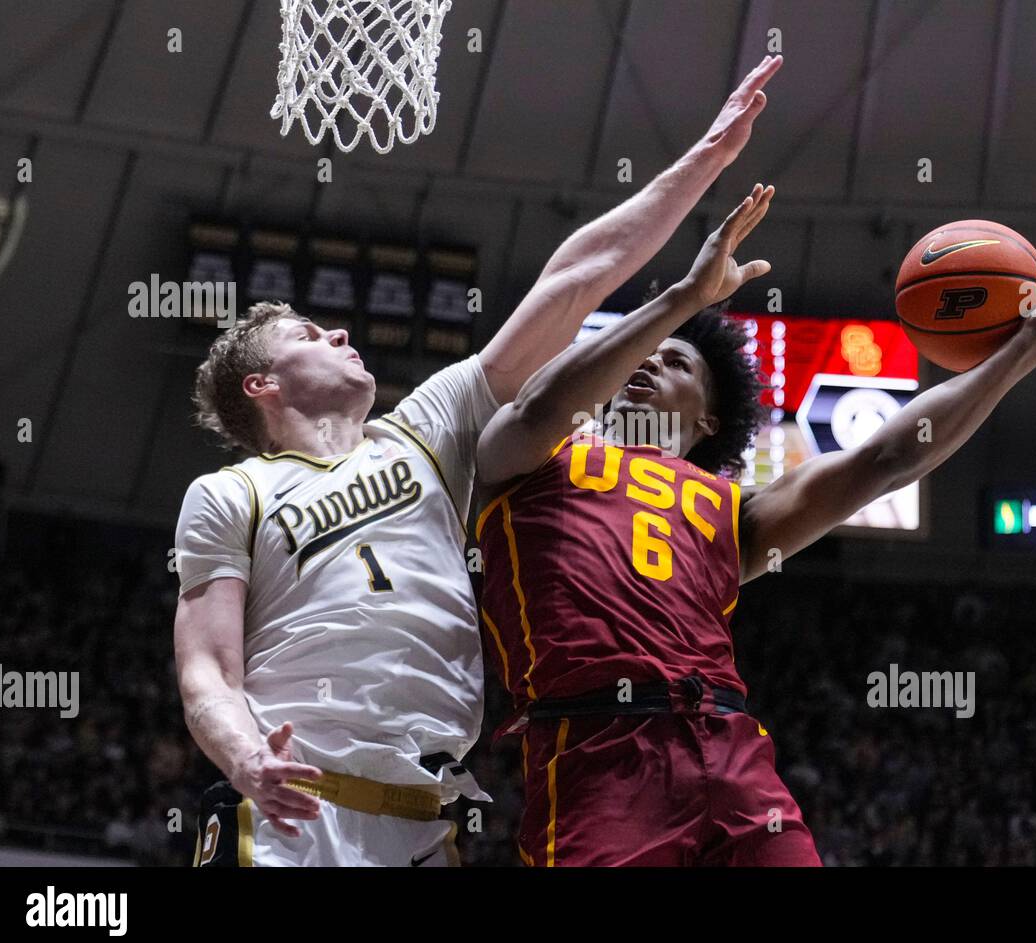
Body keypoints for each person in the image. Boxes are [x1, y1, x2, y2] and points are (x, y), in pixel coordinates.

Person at [172, 56, 785, 867]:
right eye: (313, 337)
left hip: (428, 825)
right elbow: (208, 673)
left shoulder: (426, 428)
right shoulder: (228, 494)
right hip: (293, 808)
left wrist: (706, 157)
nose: (342, 335)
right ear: (263, 385)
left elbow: (572, 281)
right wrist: (246, 757)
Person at [474, 184, 1036, 866]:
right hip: (595, 753)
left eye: (676, 361)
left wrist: (1021, 348)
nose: (647, 360)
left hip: (729, 754)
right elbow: (538, 406)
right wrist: (685, 299)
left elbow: (888, 456)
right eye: (642, 351)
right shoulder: (533, 458)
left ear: (709, 422)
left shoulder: (731, 511)